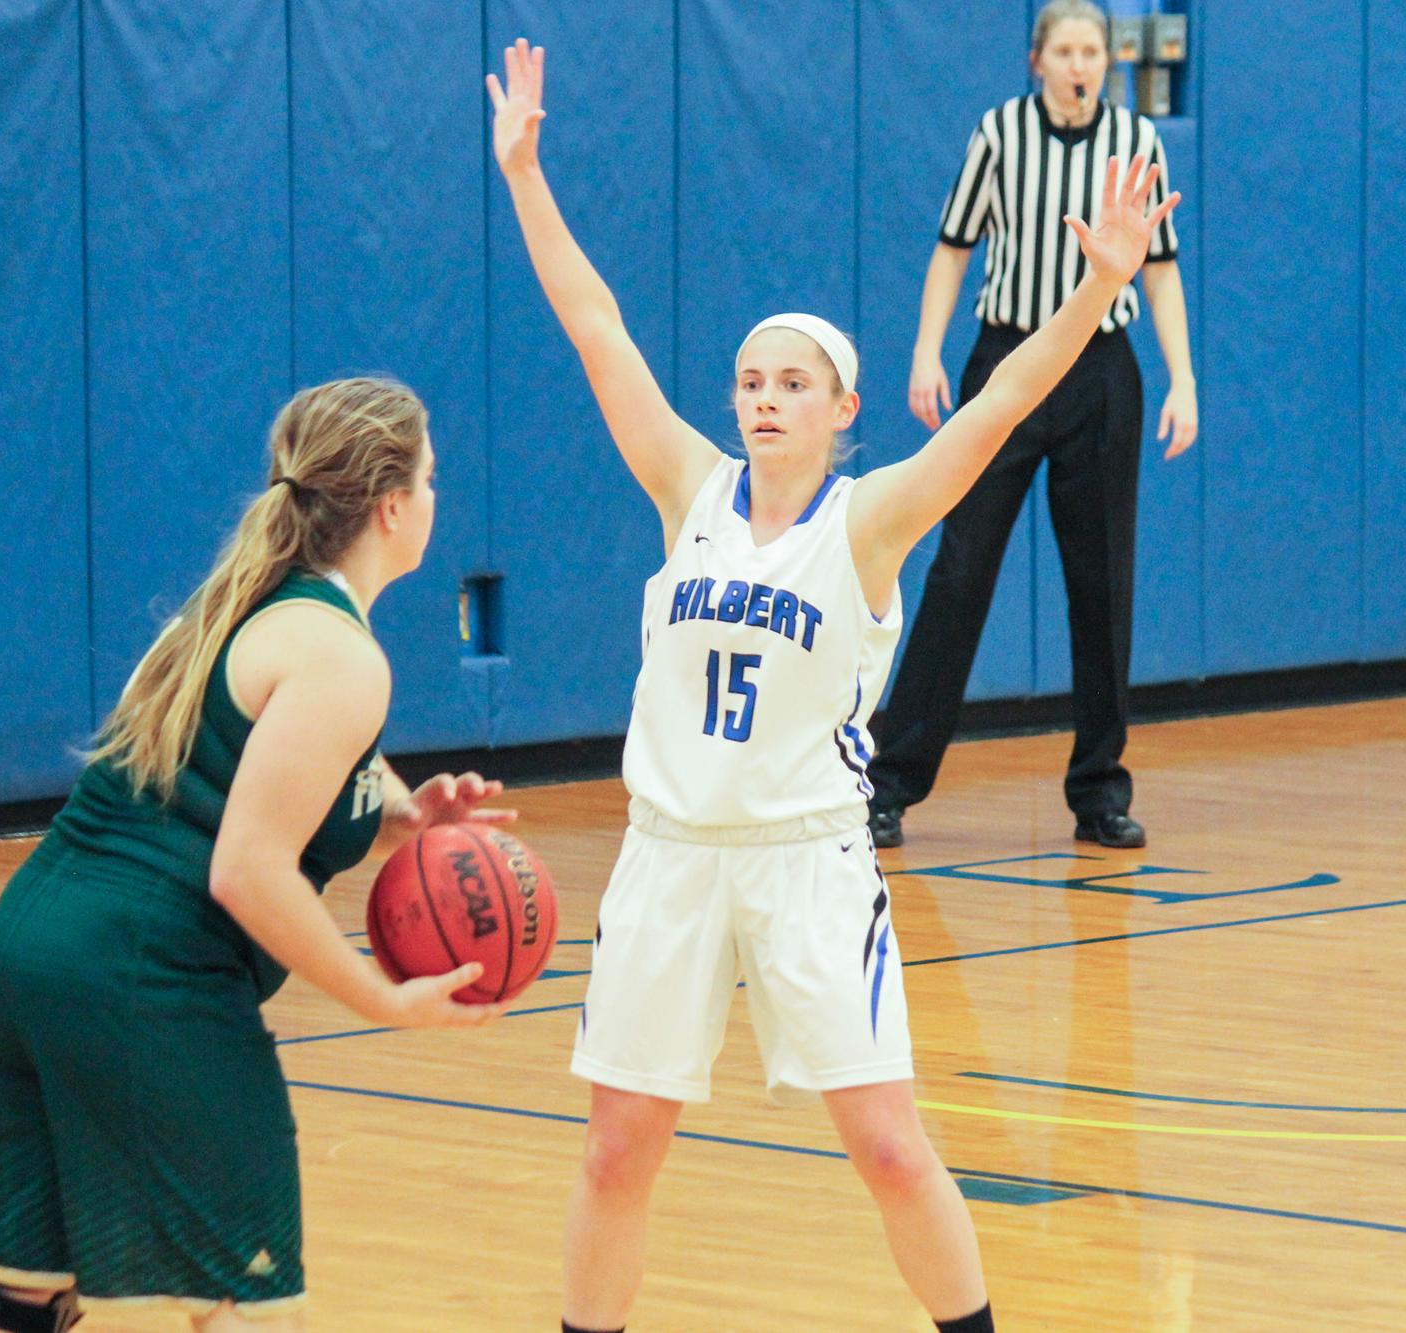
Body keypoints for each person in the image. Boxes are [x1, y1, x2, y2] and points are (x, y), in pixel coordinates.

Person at [487, 36, 1177, 1333]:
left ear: (841, 407)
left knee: (893, 1147)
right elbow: (595, 325)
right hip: (668, 855)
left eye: (791, 384)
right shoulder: (688, 491)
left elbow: (998, 403)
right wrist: (525, 173)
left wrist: (1098, 288)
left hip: (807, 862)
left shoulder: (867, 520)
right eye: (750, 381)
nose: (763, 399)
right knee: (616, 1151)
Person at [0, 378, 510, 1333]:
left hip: (24, 956)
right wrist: (379, 998)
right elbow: (246, 869)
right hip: (145, 979)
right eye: (431, 477)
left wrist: (400, 811)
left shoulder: (231, 607)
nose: (435, 496)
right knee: (253, 1308)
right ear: (390, 505)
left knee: (18, 1304)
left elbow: (243, 761)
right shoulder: (342, 656)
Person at [866, 0, 1195, 851]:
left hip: (1100, 371)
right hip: (1008, 364)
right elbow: (952, 248)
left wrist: (1183, 378)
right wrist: (927, 351)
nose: (1082, 64)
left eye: (1093, 51)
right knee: (960, 568)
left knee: (1103, 581)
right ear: (1036, 61)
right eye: (1067, 50)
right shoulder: (999, 133)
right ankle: (889, 784)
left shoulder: (1138, 143)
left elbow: (1160, 270)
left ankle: (1100, 793)